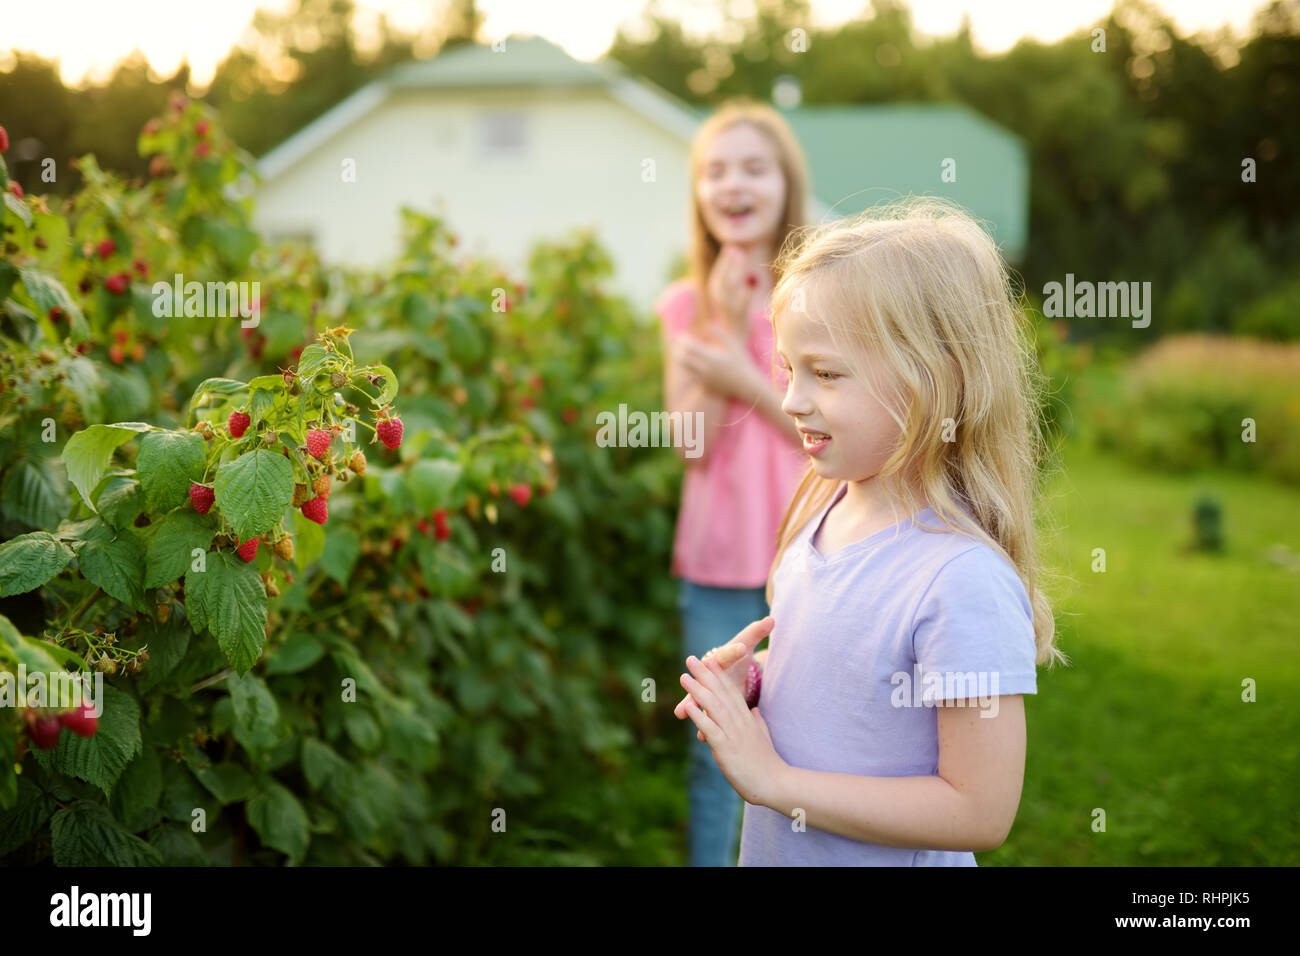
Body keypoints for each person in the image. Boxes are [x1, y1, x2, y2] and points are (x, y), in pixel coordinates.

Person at [672, 196, 1071, 865]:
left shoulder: (959, 579)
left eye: (825, 373)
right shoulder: (824, 508)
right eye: (788, 369)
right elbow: (856, 679)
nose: (792, 398)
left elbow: (980, 809)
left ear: (931, 383)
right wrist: (762, 681)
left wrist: (777, 783)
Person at [655, 100, 810, 867]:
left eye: (754, 168)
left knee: (810, 740)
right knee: (717, 750)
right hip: (717, 560)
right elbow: (691, 445)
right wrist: (721, 323)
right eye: (715, 171)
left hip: (810, 552)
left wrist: (744, 375)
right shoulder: (687, 306)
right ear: (698, 191)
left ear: (786, 183)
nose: (733, 185)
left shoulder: (814, 296)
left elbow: (829, 435)